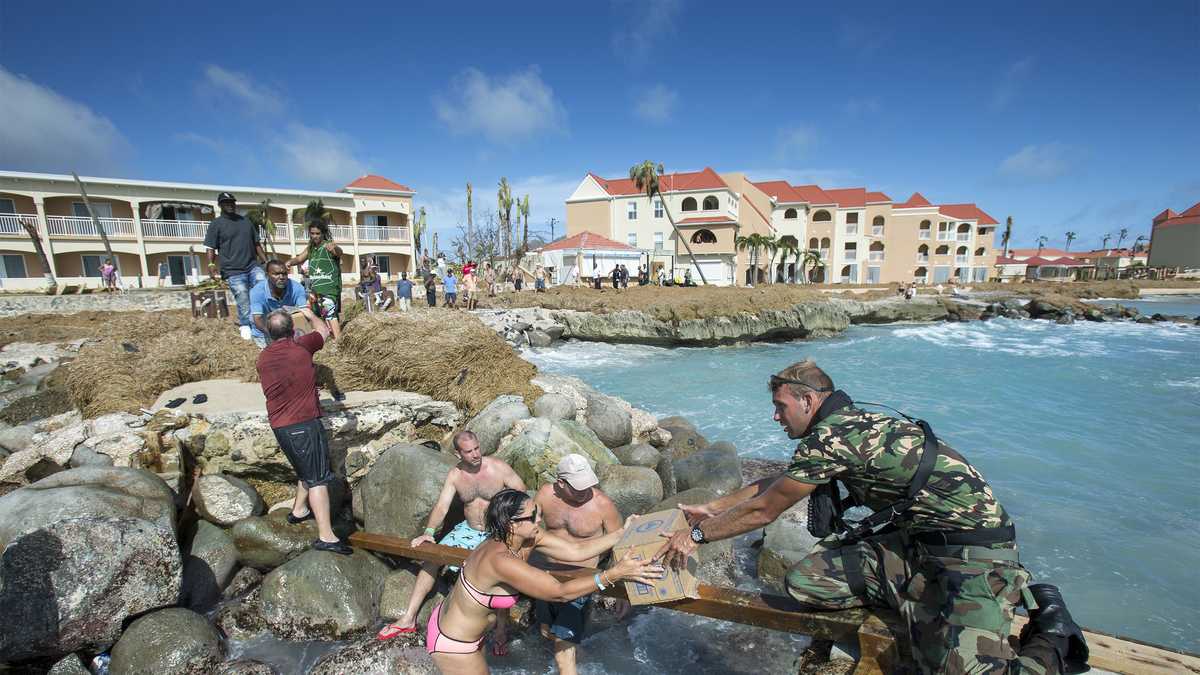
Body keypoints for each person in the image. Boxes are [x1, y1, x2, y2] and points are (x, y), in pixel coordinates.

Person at [657, 360, 1087, 675]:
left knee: (967, 672)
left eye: (780, 406)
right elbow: (782, 481)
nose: (775, 416)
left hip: (973, 551)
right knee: (806, 581)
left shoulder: (829, 439)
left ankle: (1053, 633)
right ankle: (921, 595)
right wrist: (714, 508)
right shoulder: (848, 423)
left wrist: (696, 535)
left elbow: (769, 508)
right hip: (918, 540)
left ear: (807, 400)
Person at [424, 488, 663, 674]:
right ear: (511, 525)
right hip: (453, 644)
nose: (539, 519)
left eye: (537, 511)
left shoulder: (527, 537)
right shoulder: (499, 559)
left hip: (466, 632)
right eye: (532, 516)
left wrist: (623, 532)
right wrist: (613, 574)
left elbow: (575, 550)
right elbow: (559, 592)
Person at [377, 431, 526, 652]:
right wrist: (428, 532)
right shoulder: (455, 475)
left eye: (477, 448)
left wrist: (510, 527)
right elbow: (442, 506)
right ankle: (408, 618)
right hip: (467, 530)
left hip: (494, 532)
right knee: (431, 557)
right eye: (469, 451)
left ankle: (501, 632)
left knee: (499, 574)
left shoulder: (498, 468)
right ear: (458, 453)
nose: (475, 454)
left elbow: (522, 494)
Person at [254, 309, 350, 555]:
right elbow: (324, 330)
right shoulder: (302, 347)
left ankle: (299, 510)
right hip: (303, 424)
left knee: (305, 467)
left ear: (269, 332)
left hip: (280, 426)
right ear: (291, 330)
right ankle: (326, 536)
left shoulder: (263, 358)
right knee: (318, 478)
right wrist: (310, 314)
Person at [532, 455, 625, 675]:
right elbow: (528, 528)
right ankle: (586, 661)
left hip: (582, 580)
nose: (585, 491)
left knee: (563, 644)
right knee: (546, 632)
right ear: (560, 483)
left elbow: (621, 545)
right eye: (578, 487)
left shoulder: (602, 504)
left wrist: (622, 592)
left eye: (588, 484)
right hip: (548, 575)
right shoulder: (545, 495)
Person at [205, 192, 267, 340]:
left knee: (262, 287)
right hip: (232, 269)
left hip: (252, 265)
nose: (230, 205)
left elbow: (256, 243)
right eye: (226, 203)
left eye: (232, 202)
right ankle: (245, 324)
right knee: (242, 295)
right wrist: (211, 263)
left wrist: (266, 261)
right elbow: (210, 247)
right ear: (220, 205)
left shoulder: (246, 222)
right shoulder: (216, 224)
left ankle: (263, 318)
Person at [285, 220, 343, 342]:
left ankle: (338, 341)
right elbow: (300, 258)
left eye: (318, 233)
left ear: (323, 233)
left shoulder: (328, 246)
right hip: (316, 288)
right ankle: (326, 337)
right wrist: (290, 262)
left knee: (330, 312)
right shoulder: (311, 249)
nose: (315, 236)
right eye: (312, 233)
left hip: (328, 286)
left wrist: (335, 248)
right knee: (319, 314)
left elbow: (338, 253)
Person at [250, 260, 318, 348]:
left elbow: (305, 313)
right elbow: (258, 319)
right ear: (267, 275)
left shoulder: (297, 288)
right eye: (276, 274)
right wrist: (275, 337)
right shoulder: (257, 291)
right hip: (265, 329)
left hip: (288, 327)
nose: (281, 277)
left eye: (284, 274)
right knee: (273, 357)